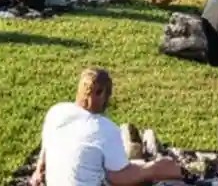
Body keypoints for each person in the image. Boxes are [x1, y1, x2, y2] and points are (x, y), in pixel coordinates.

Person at [29, 68, 182, 186]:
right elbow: (120, 177)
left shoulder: (56, 111)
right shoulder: (103, 129)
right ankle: (140, 151)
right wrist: (154, 169)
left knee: (125, 162)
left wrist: (38, 171)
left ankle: (134, 151)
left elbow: (46, 148)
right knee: (151, 168)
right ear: (99, 93)